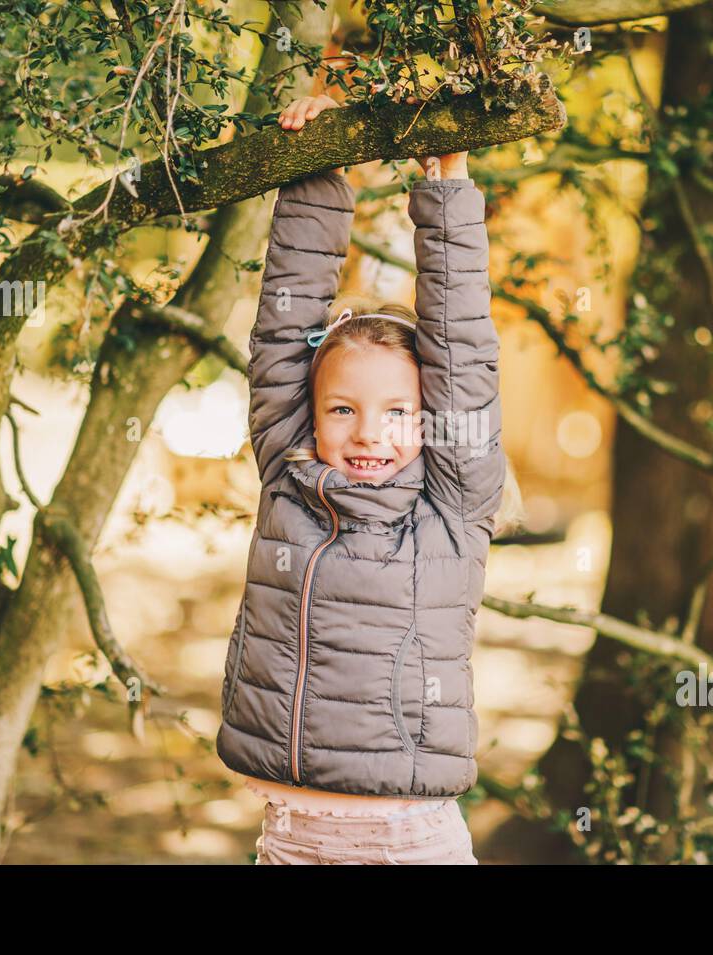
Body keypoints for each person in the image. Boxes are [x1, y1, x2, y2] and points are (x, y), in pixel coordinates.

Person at [214, 93, 520, 864]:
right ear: (313, 414)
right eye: (343, 408)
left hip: (407, 842)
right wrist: (323, 164)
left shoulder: (449, 503)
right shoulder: (292, 470)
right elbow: (284, 331)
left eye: (397, 411)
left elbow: (460, 349)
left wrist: (446, 182)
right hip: (288, 838)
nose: (367, 432)